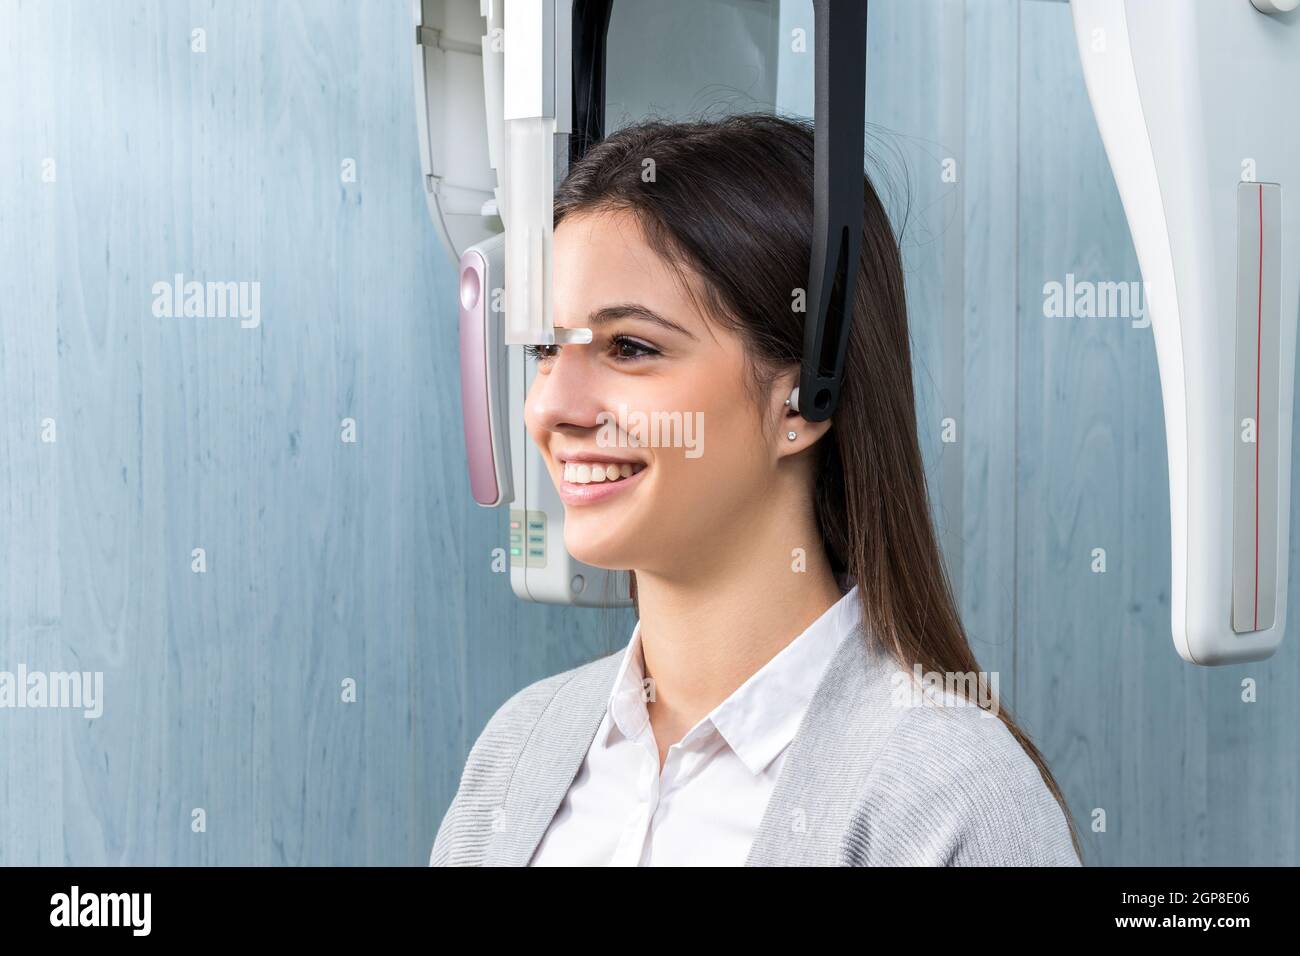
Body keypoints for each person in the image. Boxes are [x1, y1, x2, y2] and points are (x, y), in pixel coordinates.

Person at [430, 113, 1082, 866]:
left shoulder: (950, 799)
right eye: (548, 347)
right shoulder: (519, 749)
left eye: (631, 347)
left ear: (803, 404)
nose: (552, 408)